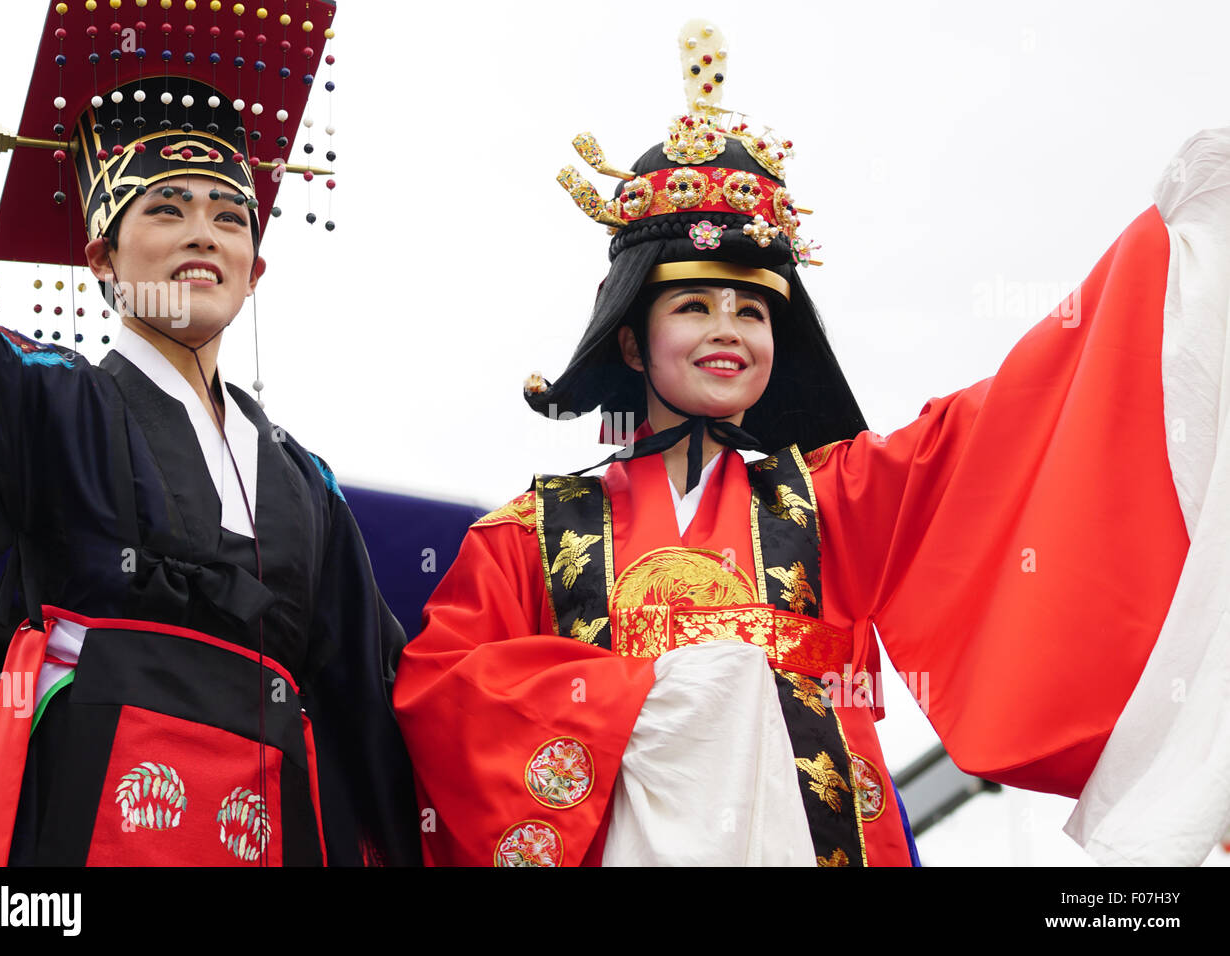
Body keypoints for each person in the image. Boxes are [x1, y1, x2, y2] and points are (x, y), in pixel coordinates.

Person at [393, 19, 1221, 866]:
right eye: (693, 307)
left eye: (752, 311)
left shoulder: (833, 499)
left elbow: (1011, 428)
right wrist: (650, 699)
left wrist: (1166, 272)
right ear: (633, 342)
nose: (729, 332)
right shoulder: (531, 535)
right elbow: (443, 691)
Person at [0, 1, 419, 866]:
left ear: (254, 269)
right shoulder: (52, 401)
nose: (204, 234)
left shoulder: (306, 486)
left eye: (230, 218)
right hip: (97, 812)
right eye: (167, 209)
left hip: (275, 825)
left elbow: (386, 696)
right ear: (101, 257)